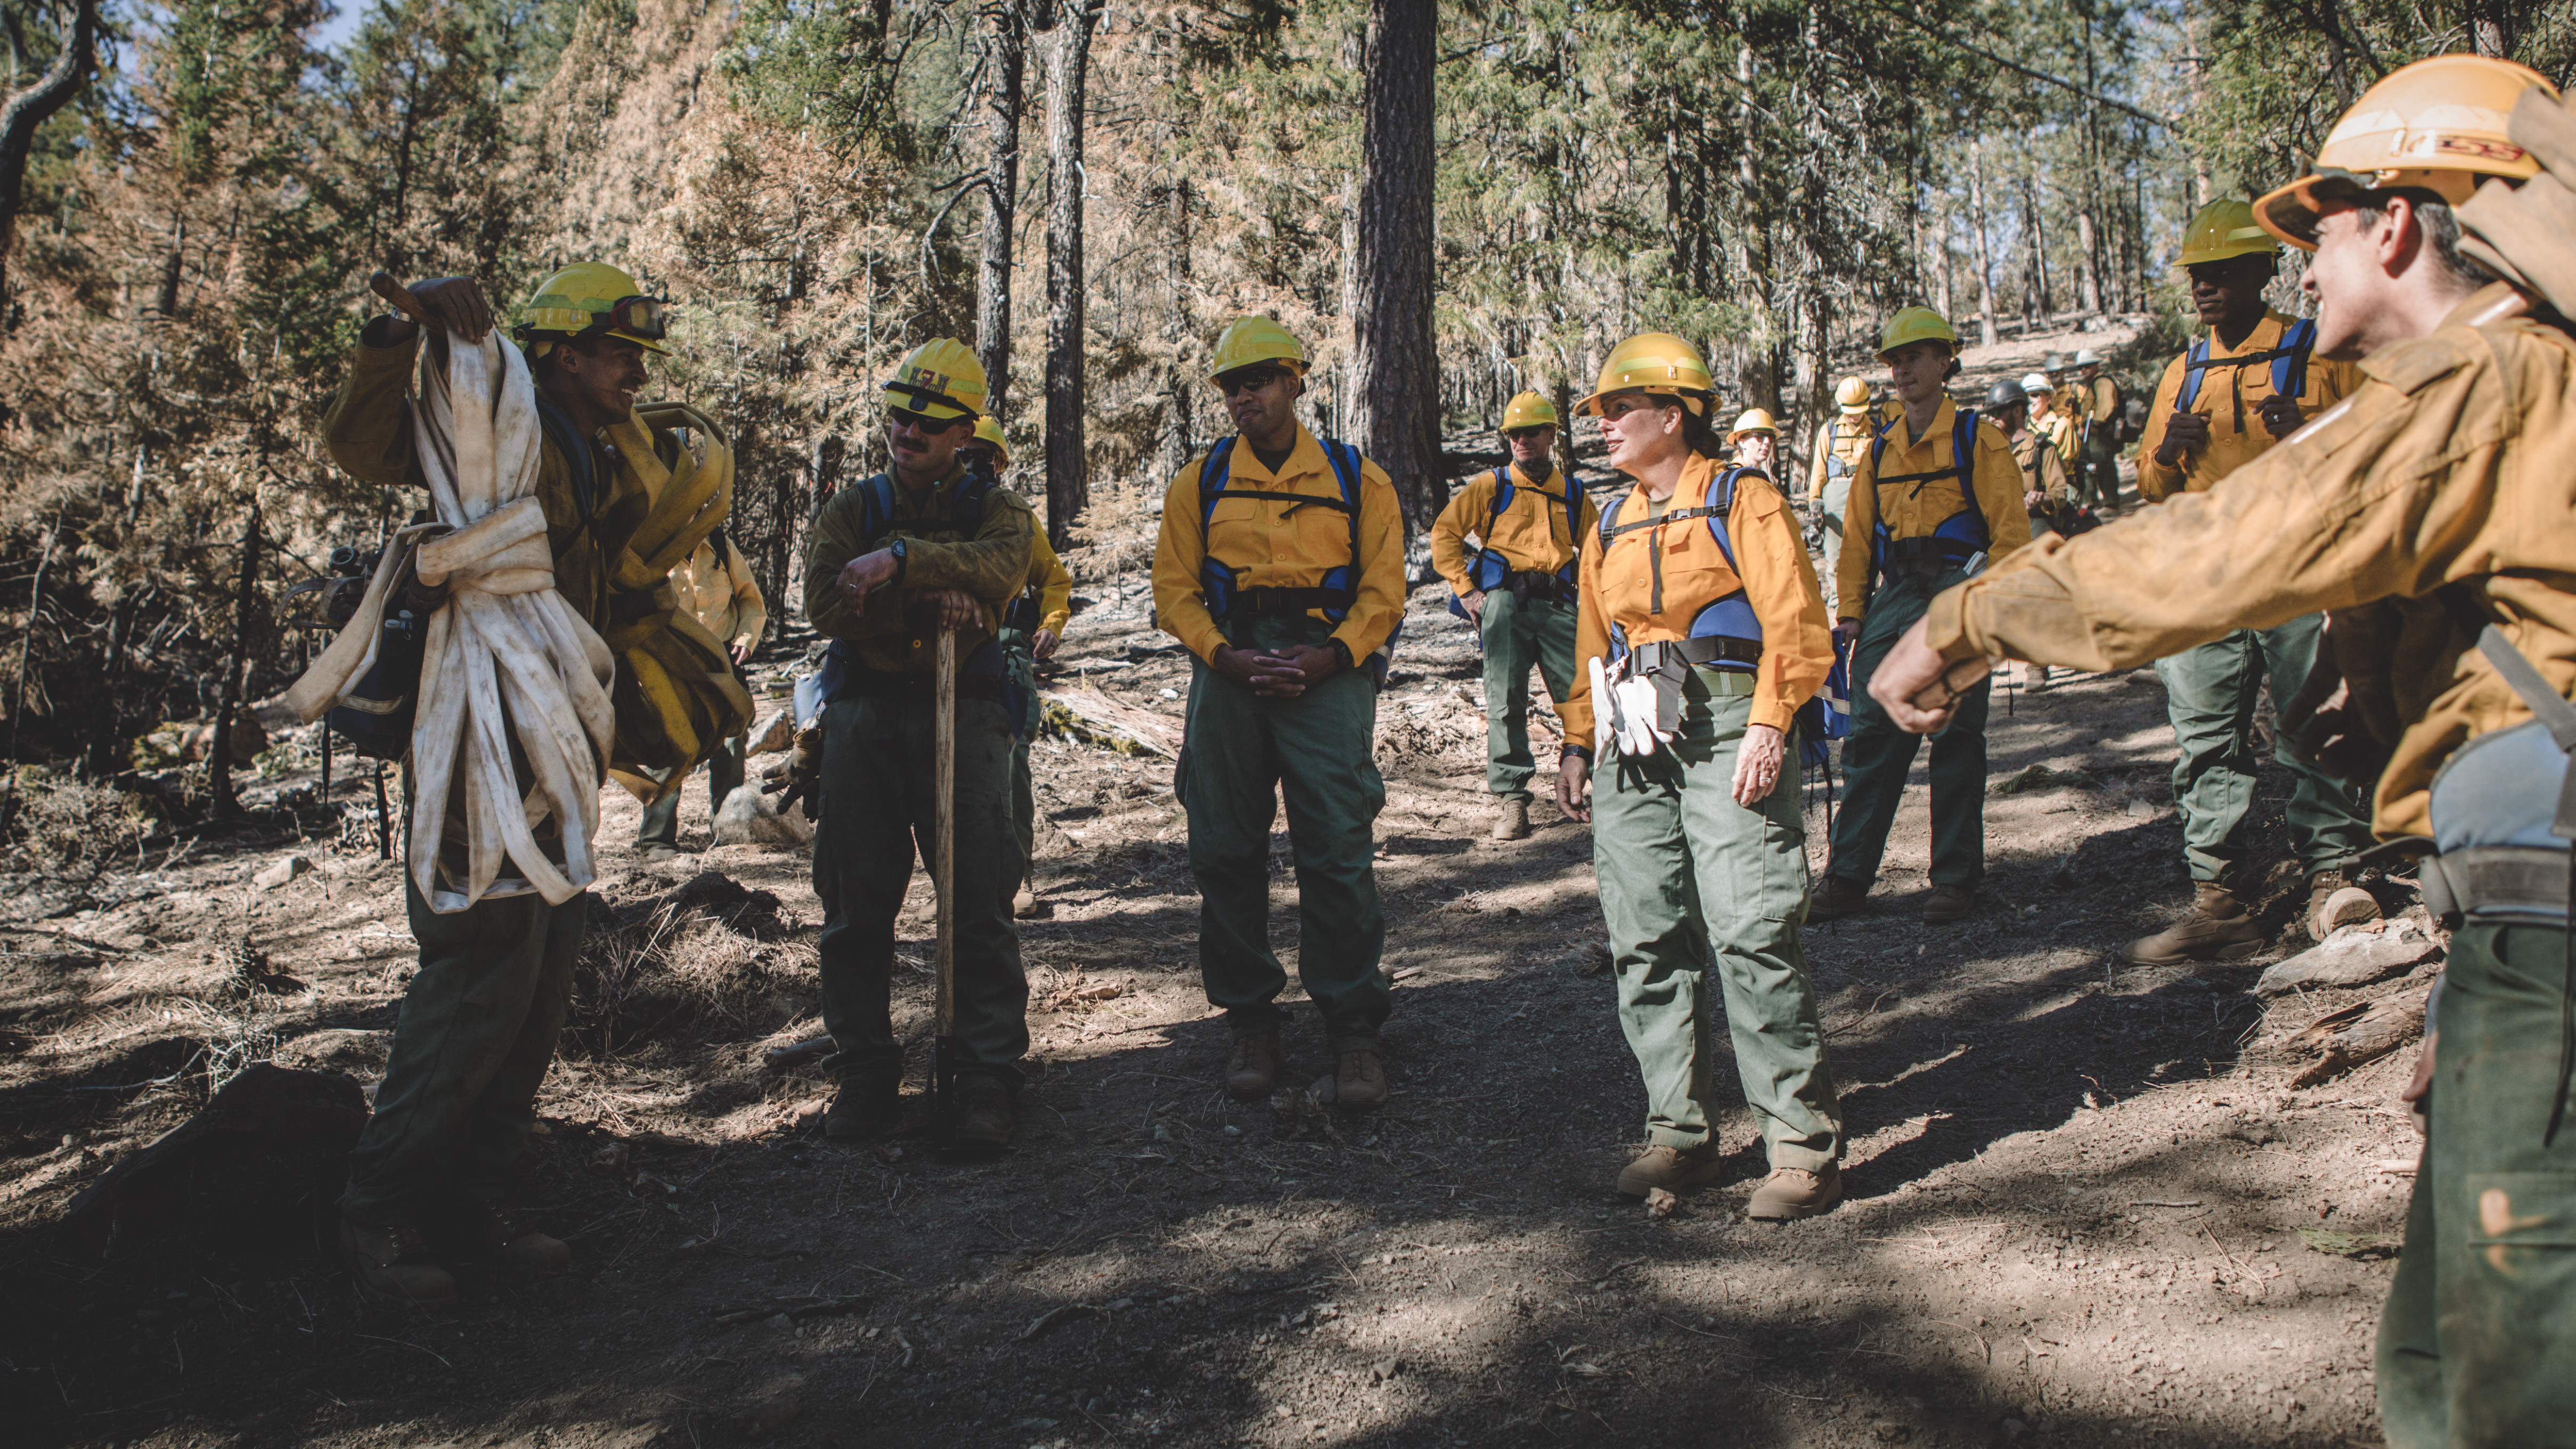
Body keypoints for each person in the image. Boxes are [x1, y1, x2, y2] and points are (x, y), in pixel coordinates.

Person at [1860, 55, 2568, 1449]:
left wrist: (1966, 618)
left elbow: (2223, 545)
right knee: (2440, 1353)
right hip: (2518, 926)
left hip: (2552, 928)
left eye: (2318, 230)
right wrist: (2465, 986)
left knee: (2520, 1361)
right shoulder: (2516, 384)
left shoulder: (2484, 379)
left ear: (2398, 225)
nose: (2298, 265)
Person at [322, 261, 714, 1305]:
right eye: (622, 354)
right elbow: (366, 447)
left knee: (541, 980)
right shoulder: (490, 408)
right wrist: (403, 341)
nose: (639, 373)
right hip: (474, 734)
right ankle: (381, 1209)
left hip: (555, 741)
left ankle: (475, 1201)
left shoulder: (597, 451)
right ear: (567, 354)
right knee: (479, 968)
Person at [1552, 333, 1844, 1219]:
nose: (1603, 425)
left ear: (1673, 416)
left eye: (1620, 409)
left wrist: (1771, 724)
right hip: (1633, 728)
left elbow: (1796, 622)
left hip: (1729, 718)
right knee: (1645, 931)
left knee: (1750, 927)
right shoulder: (1608, 523)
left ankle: (1802, 1149)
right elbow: (1591, 643)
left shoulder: (1741, 498)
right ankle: (1680, 1136)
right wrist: (1576, 742)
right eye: (1600, 412)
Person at [1151, 316, 1405, 1106]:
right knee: (1224, 847)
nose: (1244, 396)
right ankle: (1250, 1020)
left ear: (1295, 382)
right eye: (1232, 385)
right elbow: (1174, 591)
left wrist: (1334, 656)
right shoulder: (1198, 483)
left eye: (1258, 380)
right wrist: (1220, 654)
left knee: (1337, 847)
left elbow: (1385, 592)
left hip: (1326, 670)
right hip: (1229, 671)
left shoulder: (1358, 479)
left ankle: (1354, 1030)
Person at [2126, 196, 2377, 963]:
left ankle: (2334, 876)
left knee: (2313, 718)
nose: (2204, 287)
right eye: (2196, 275)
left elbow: (2374, 458)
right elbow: (2151, 485)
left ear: (2262, 272)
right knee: (2204, 735)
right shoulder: (2182, 371)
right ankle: (2220, 902)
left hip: (2299, 566)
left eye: (2222, 271)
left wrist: (2308, 434)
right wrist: (2167, 452)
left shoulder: (2320, 352)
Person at [803, 339, 1037, 1150]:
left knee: (977, 898)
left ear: (965, 433)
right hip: (864, 717)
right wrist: (936, 594)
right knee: (854, 903)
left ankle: (986, 1074)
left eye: (930, 423)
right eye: (901, 415)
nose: (909, 431)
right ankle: (864, 1072)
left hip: (964, 716)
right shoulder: (851, 508)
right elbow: (825, 603)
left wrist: (902, 562)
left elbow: (1006, 567)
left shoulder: (996, 509)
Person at [1811, 307, 2027, 924]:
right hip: (1896, 594)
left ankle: (1956, 878)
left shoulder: (1978, 439)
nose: (1902, 370)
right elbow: (1856, 540)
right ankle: (1848, 876)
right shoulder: (1880, 450)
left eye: (1914, 358)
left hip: (1960, 590)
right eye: (1895, 361)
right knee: (1870, 734)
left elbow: (2011, 532)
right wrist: (1853, 612)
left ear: (1944, 362)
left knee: (1955, 734)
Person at [1429, 391, 1596, 840]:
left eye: (1531, 432)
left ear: (1552, 435)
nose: (1522, 441)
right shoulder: (1492, 486)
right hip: (1504, 606)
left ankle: (1594, 782)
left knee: (1585, 693)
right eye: (1514, 434)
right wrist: (1467, 592)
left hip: (1561, 605)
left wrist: (1599, 607)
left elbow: (1599, 554)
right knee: (1505, 700)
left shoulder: (1573, 493)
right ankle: (1512, 801)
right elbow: (1444, 533)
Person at [960, 417, 1072, 917]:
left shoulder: (1016, 516)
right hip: (942, 654)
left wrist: (1051, 623)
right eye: (966, 456)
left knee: (1009, 764)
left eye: (985, 458)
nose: (975, 467)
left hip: (1005, 651)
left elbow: (1053, 579)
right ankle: (953, 882)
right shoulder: (927, 512)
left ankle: (1015, 877)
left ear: (999, 464)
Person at [634, 528, 765, 859]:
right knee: (669, 747)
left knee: (732, 745)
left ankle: (727, 829)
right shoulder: (653, 547)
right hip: (672, 663)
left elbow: (750, 599)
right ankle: (657, 840)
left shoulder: (719, 545)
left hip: (722, 662)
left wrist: (746, 639)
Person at [1987, 377, 2069, 695]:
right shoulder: (1989, 449)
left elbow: (2060, 493)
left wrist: (2042, 498)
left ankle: (2037, 665)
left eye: (2000, 411)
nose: (1994, 418)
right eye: (1991, 412)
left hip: (2034, 527)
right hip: (1999, 529)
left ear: (2018, 411)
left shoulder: (2042, 448)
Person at [1805, 377, 1878, 611]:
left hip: (1869, 490)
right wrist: (1815, 500)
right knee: (1836, 551)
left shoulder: (1877, 429)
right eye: (1850, 412)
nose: (1854, 417)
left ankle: (1872, 600)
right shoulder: (1829, 431)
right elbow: (1819, 469)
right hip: (1836, 494)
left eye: (1858, 411)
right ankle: (1839, 603)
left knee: (1870, 547)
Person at [2072, 347, 2122, 510]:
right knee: (2087, 466)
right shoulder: (2091, 384)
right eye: (2081, 367)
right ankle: (2091, 501)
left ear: (2096, 365)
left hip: (2101, 433)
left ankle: (2111, 501)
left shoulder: (2102, 382)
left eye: (2087, 366)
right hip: (2090, 433)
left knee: (2104, 466)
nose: (2084, 370)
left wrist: (2097, 423)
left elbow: (2107, 405)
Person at [2023, 372, 2076, 465]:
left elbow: (2065, 462)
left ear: (2049, 399)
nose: (2030, 400)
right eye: (2026, 396)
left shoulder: (2062, 424)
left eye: (2035, 395)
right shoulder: (2023, 426)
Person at [1726, 408, 1778, 473]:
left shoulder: (1758, 476)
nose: (1768, 441)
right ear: (1743, 443)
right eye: (1760, 436)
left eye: (1771, 437)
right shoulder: (1732, 474)